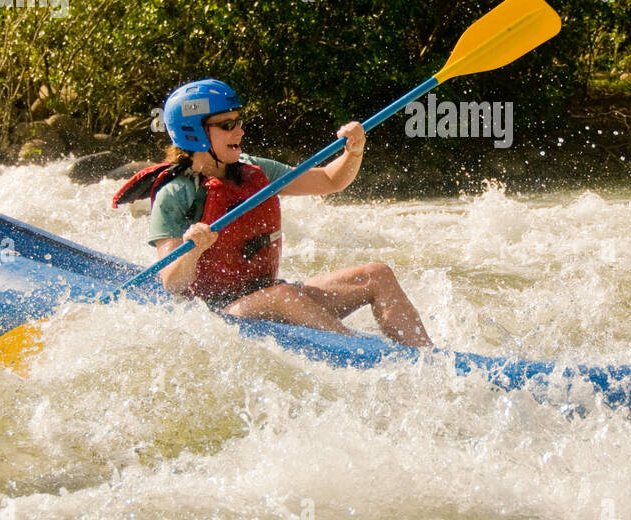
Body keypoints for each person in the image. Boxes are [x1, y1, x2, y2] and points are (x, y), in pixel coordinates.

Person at [115, 79, 431, 347]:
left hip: (267, 295)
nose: (239, 131)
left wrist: (354, 151)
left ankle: (426, 359)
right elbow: (171, 282)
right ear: (194, 133)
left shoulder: (255, 169)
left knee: (376, 274)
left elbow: (330, 180)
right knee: (282, 295)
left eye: (239, 121)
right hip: (218, 313)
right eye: (227, 125)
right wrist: (194, 251)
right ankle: (368, 357)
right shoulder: (175, 193)